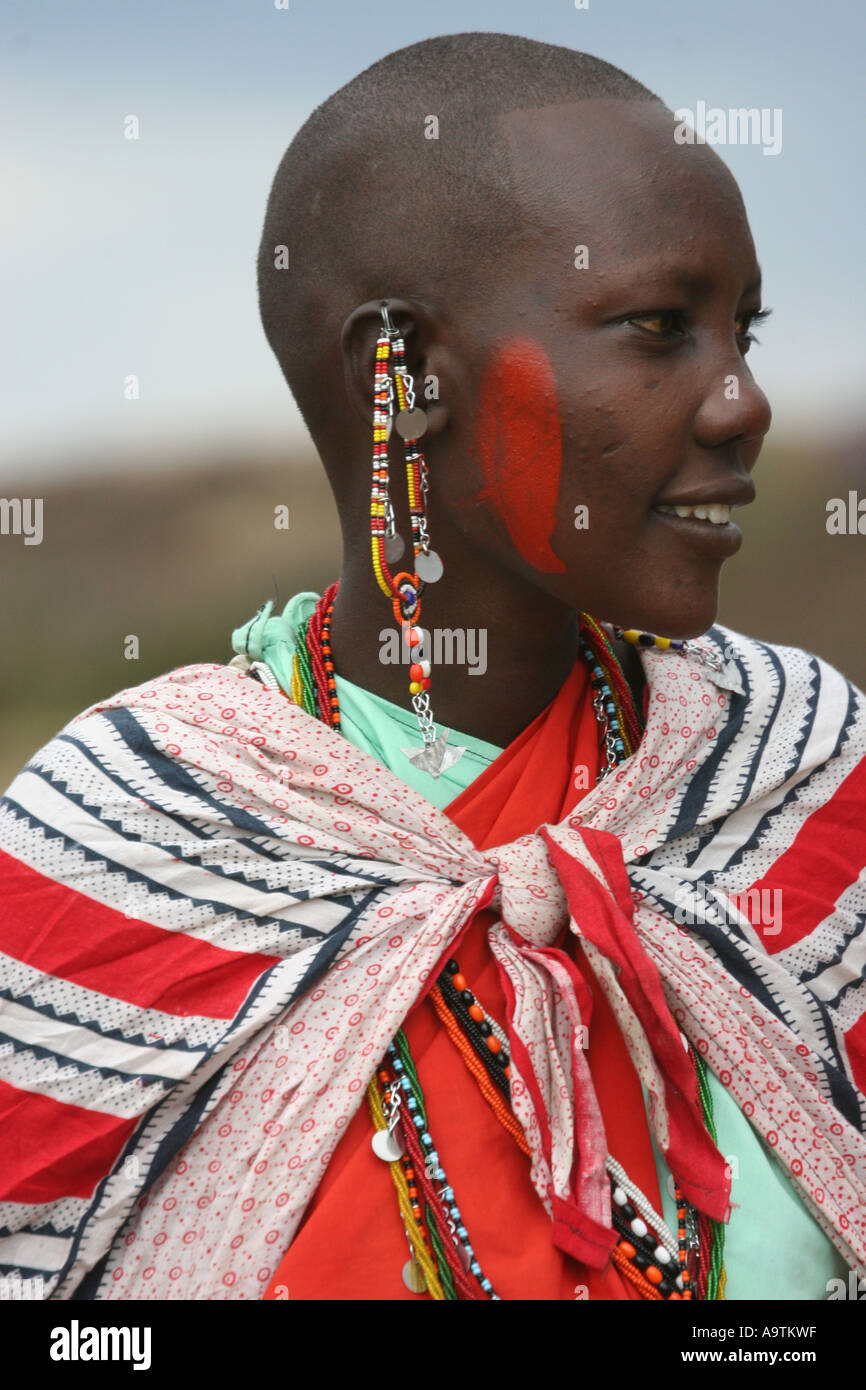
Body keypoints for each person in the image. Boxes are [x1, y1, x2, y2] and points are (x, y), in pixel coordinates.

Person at [1, 32, 864, 1303]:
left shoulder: (796, 779)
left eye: (741, 329)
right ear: (398, 377)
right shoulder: (117, 850)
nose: (741, 401)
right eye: (656, 327)